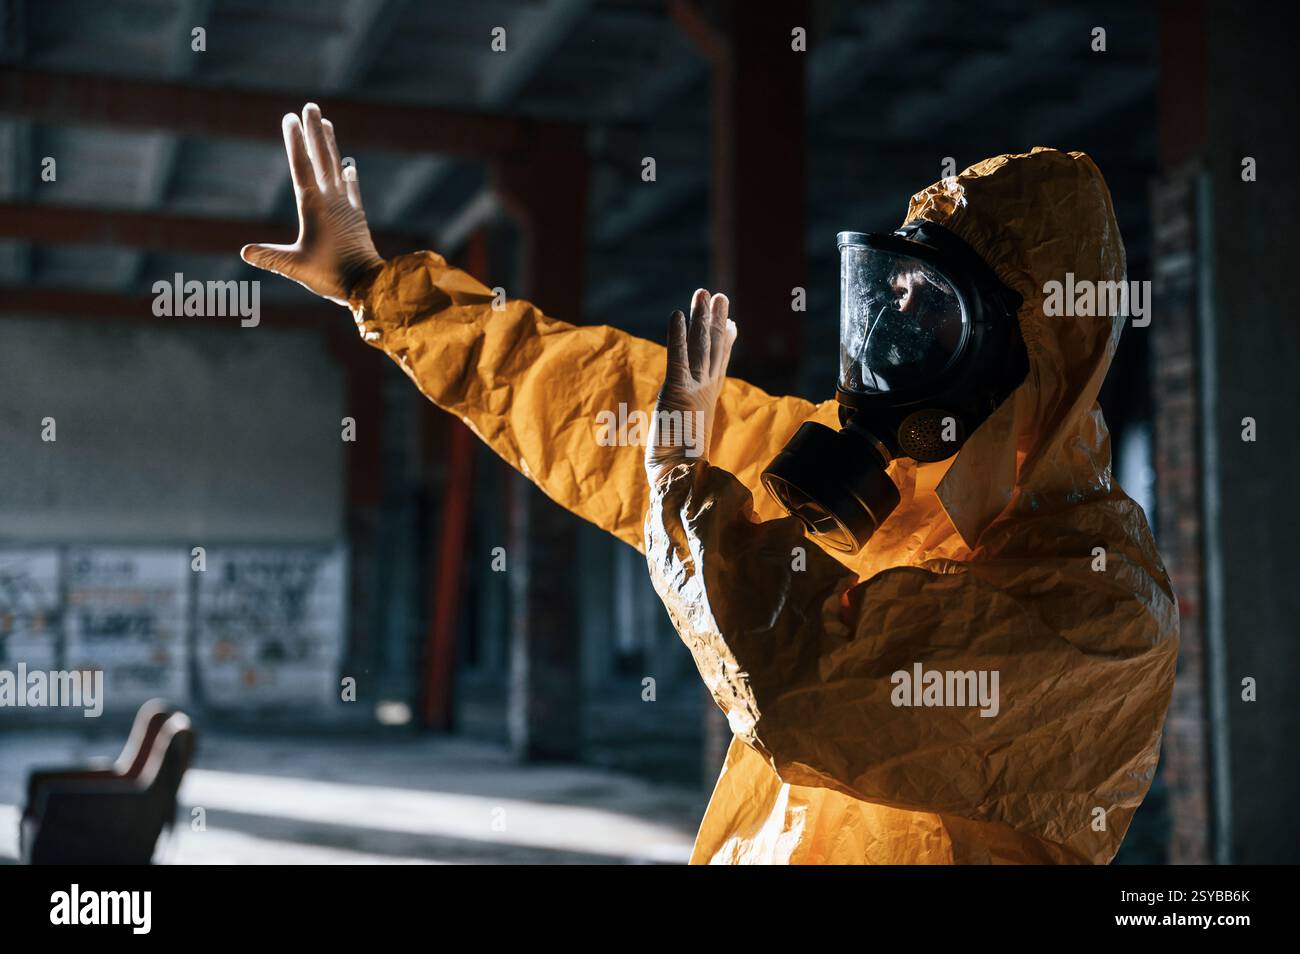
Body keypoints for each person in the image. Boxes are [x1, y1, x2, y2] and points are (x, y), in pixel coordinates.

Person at [244, 104, 1178, 864]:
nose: (895, 337)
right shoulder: (906, 493)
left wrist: (684, 482)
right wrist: (381, 287)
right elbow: (587, 403)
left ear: (1033, 357)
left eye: (934, 311)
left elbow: (806, 685)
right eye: (889, 294)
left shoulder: (1101, 612)